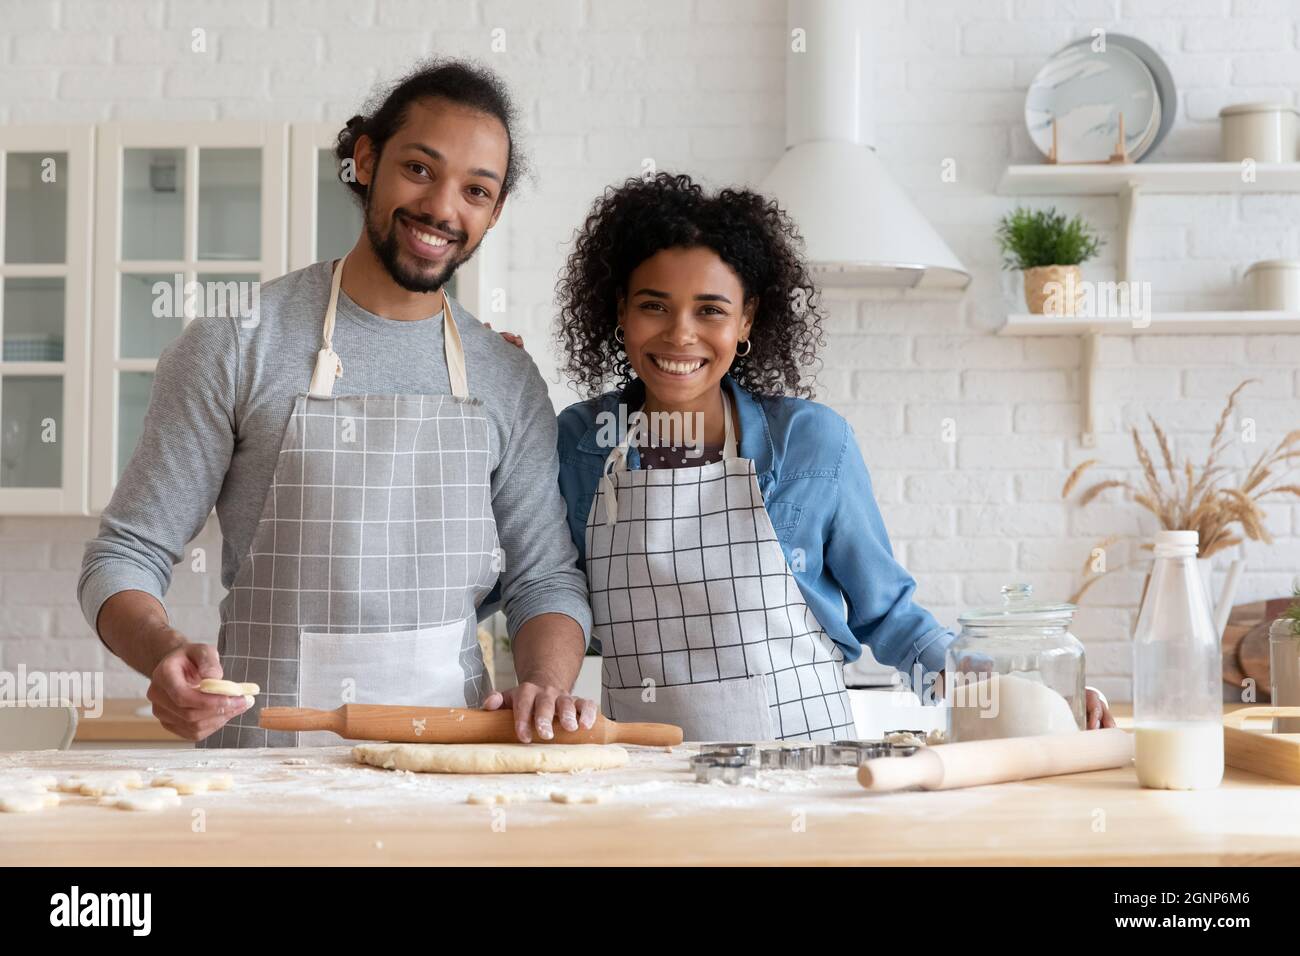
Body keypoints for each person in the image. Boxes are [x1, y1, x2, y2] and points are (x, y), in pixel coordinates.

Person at [78, 59, 595, 747]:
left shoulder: (505, 376)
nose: (443, 208)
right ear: (366, 160)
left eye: (476, 190)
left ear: (493, 212)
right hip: (263, 773)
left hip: (452, 773)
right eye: (419, 169)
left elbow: (546, 581)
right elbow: (124, 554)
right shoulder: (236, 345)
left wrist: (546, 687)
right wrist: (162, 651)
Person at [544, 172, 1115, 740]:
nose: (680, 334)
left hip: (802, 768)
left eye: (711, 310)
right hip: (644, 777)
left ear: (746, 320)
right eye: (654, 306)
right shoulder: (580, 444)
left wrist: (1023, 697)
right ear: (620, 311)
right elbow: (543, 587)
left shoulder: (810, 443)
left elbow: (890, 617)